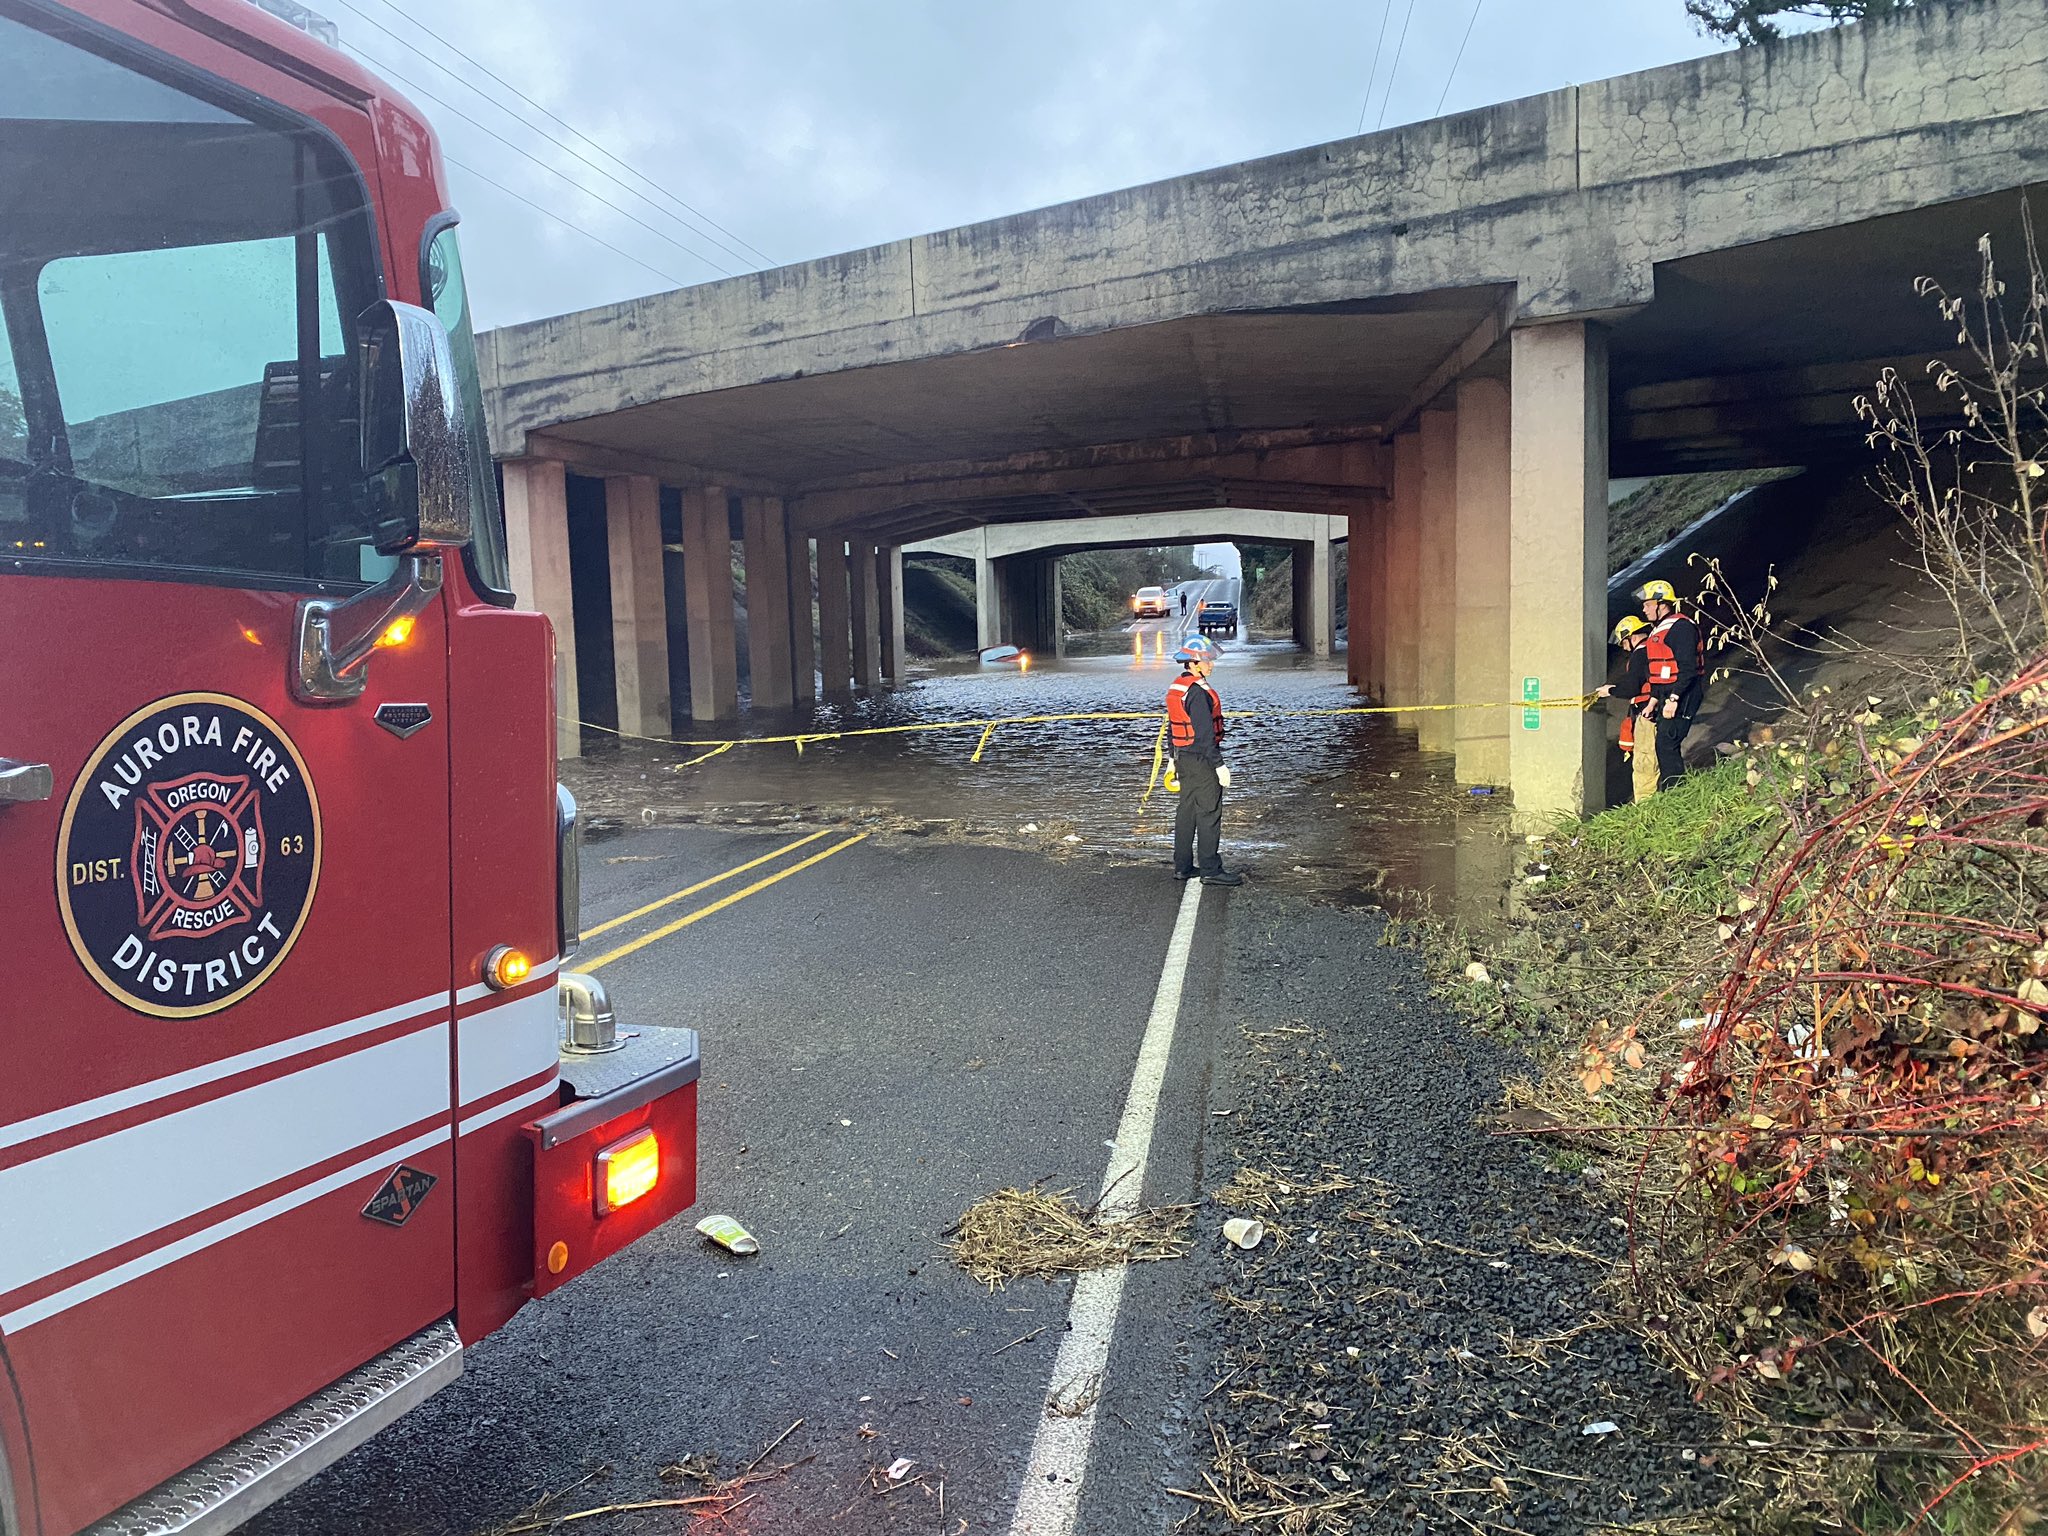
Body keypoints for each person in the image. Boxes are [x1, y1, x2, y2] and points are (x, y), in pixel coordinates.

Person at [1166, 635, 1243, 886]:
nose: (1212, 664)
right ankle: (1210, 869)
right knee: (1209, 812)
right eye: (1207, 660)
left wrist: (1171, 758)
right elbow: (1205, 735)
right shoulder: (1198, 693)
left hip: (1184, 758)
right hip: (1200, 760)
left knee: (1186, 811)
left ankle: (1183, 866)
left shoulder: (1179, 686)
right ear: (1194, 663)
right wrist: (1219, 765)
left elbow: (1172, 727)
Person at [1635, 579, 1704, 789]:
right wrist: (1653, 701)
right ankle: (1672, 789)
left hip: (1683, 694)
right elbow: (1660, 674)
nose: (1644, 609)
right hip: (1668, 694)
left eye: (1647, 604)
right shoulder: (1660, 630)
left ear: (1661, 603)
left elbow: (1687, 668)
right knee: (1663, 743)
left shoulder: (1680, 628)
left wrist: (1674, 698)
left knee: (1667, 743)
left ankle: (1676, 791)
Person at [1597, 614, 1659, 804]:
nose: (1624, 648)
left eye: (1624, 643)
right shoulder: (1651, 649)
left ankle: (1645, 805)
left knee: (1644, 761)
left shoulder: (1641, 653)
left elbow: (1632, 686)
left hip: (1646, 712)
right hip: (1651, 708)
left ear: (1631, 637)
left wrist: (1611, 690)